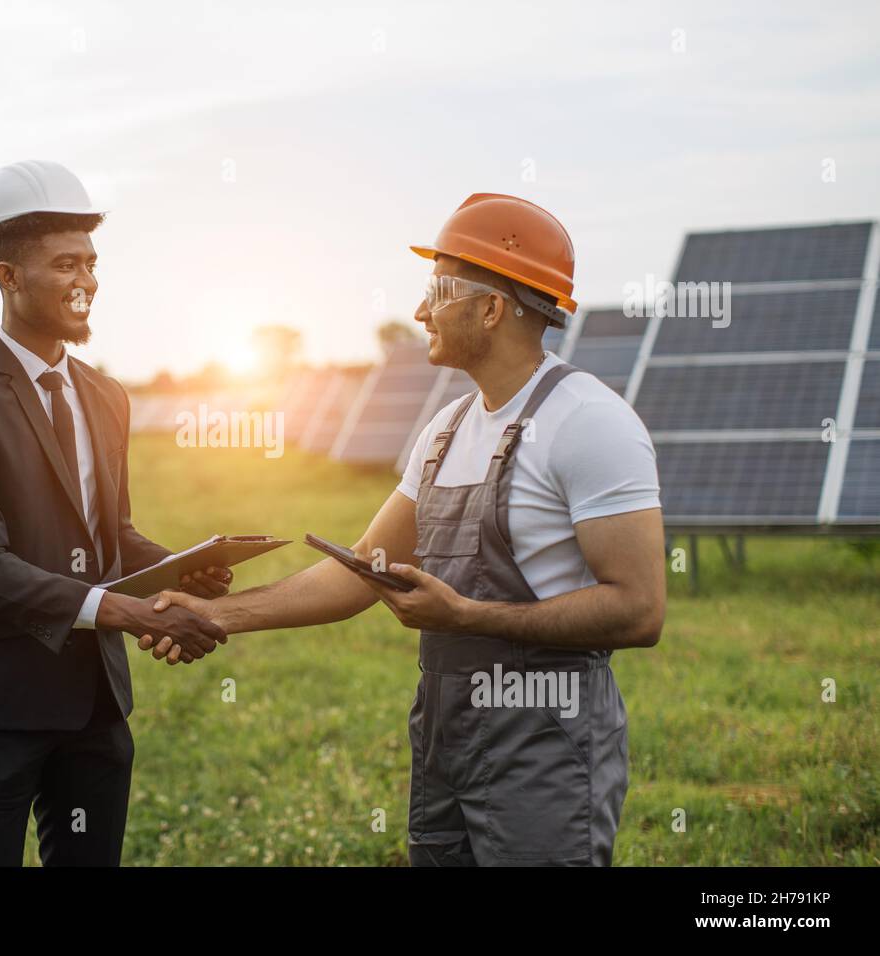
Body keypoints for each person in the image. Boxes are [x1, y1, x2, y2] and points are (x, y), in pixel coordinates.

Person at [150, 193, 666, 866]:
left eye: (440, 290)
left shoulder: (589, 423)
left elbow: (639, 609)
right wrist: (218, 614)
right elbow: (359, 570)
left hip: (544, 746)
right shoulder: (446, 429)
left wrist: (467, 614)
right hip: (444, 741)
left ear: (492, 308)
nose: (420, 310)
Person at [0, 160, 230, 867]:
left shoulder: (107, 397)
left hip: (96, 707)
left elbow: (111, 537)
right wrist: (132, 614)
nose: (86, 281)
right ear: (8, 277)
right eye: (65, 265)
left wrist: (184, 567)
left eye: (91, 263)